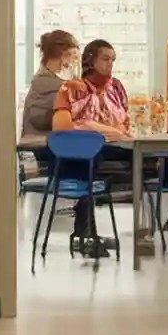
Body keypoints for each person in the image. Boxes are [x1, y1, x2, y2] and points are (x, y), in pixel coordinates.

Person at [52, 39, 131, 256]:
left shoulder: (117, 88)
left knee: (160, 158)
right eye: (105, 59)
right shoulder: (73, 88)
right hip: (83, 151)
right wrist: (95, 130)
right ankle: (87, 232)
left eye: (113, 60)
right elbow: (62, 127)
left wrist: (109, 132)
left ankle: (147, 231)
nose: (110, 64)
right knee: (90, 159)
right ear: (90, 60)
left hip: (118, 148)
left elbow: (125, 125)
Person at [20, 29, 80, 139]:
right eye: (74, 57)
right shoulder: (47, 86)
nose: (75, 63)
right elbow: (41, 120)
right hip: (43, 149)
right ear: (64, 55)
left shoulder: (44, 82)